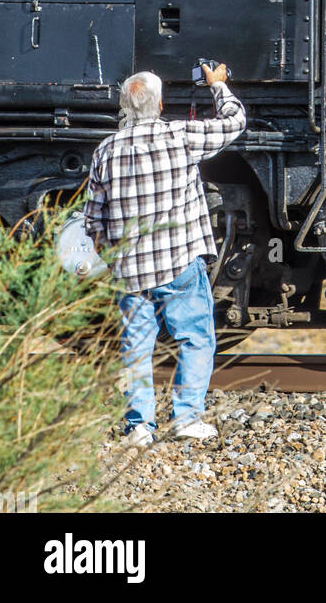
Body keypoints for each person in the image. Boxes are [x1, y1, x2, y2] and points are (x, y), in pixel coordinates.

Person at [84, 64, 246, 446]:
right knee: (195, 339)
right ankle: (187, 418)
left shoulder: (106, 150)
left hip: (130, 272)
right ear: (159, 104)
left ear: (124, 106)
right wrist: (218, 85)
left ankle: (139, 428)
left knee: (135, 347)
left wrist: (114, 260)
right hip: (178, 263)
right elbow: (234, 120)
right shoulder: (178, 135)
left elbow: (94, 219)